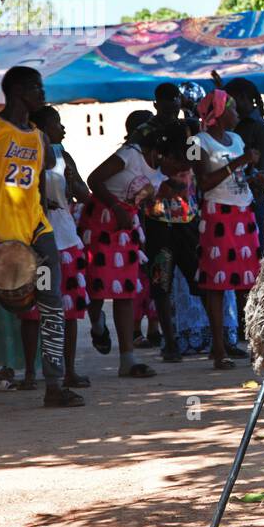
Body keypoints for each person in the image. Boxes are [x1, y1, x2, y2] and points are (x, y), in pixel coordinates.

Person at [0, 66, 84, 410]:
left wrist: (41, 223)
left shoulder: (40, 137)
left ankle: (54, 385)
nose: (42, 93)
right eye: (36, 88)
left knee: (52, 304)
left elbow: (38, 190)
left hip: (36, 232)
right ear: (18, 91)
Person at [81, 118, 176, 379]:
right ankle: (97, 322)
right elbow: (94, 179)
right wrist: (114, 207)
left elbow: (142, 201)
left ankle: (127, 359)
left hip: (126, 226)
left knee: (126, 289)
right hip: (101, 220)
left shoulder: (161, 173)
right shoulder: (129, 156)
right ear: (159, 151)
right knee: (98, 287)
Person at [17, 106, 91, 390]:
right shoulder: (26, 155)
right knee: (33, 310)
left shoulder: (62, 155)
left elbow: (82, 192)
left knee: (68, 308)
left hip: (64, 236)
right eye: (56, 124)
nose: (62, 129)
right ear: (40, 128)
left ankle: (68, 370)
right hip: (37, 236)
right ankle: (30, 373)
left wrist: (69, 180)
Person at [189, 89, 259, 369]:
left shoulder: (238, 139)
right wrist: (239, 163)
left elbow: (239, 174)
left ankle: (255, 344)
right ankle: (218, 349)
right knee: (216, 285)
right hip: (217, 215)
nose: (237, 112)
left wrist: (253, 176)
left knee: (249, 283)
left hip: (243, 213)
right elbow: (203, 182)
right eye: (231, 107)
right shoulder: (197, 141)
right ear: (217, 114)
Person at [139, 121, 201, 363]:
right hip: (171, 223)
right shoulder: (162, 154)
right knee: (166, 282)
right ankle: (173, 341)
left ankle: (174, 342)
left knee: (170, 283)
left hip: (170, 224)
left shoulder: (169, 154)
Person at [225, 77, 264, 245]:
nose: (227, 106)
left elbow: (263, 171)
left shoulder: (257, 126)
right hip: (228, 200)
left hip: (248, 200)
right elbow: (193, 156)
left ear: (241, 98)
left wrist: (250, 195)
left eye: (230, 101)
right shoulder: (223, 127)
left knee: (252, 252)